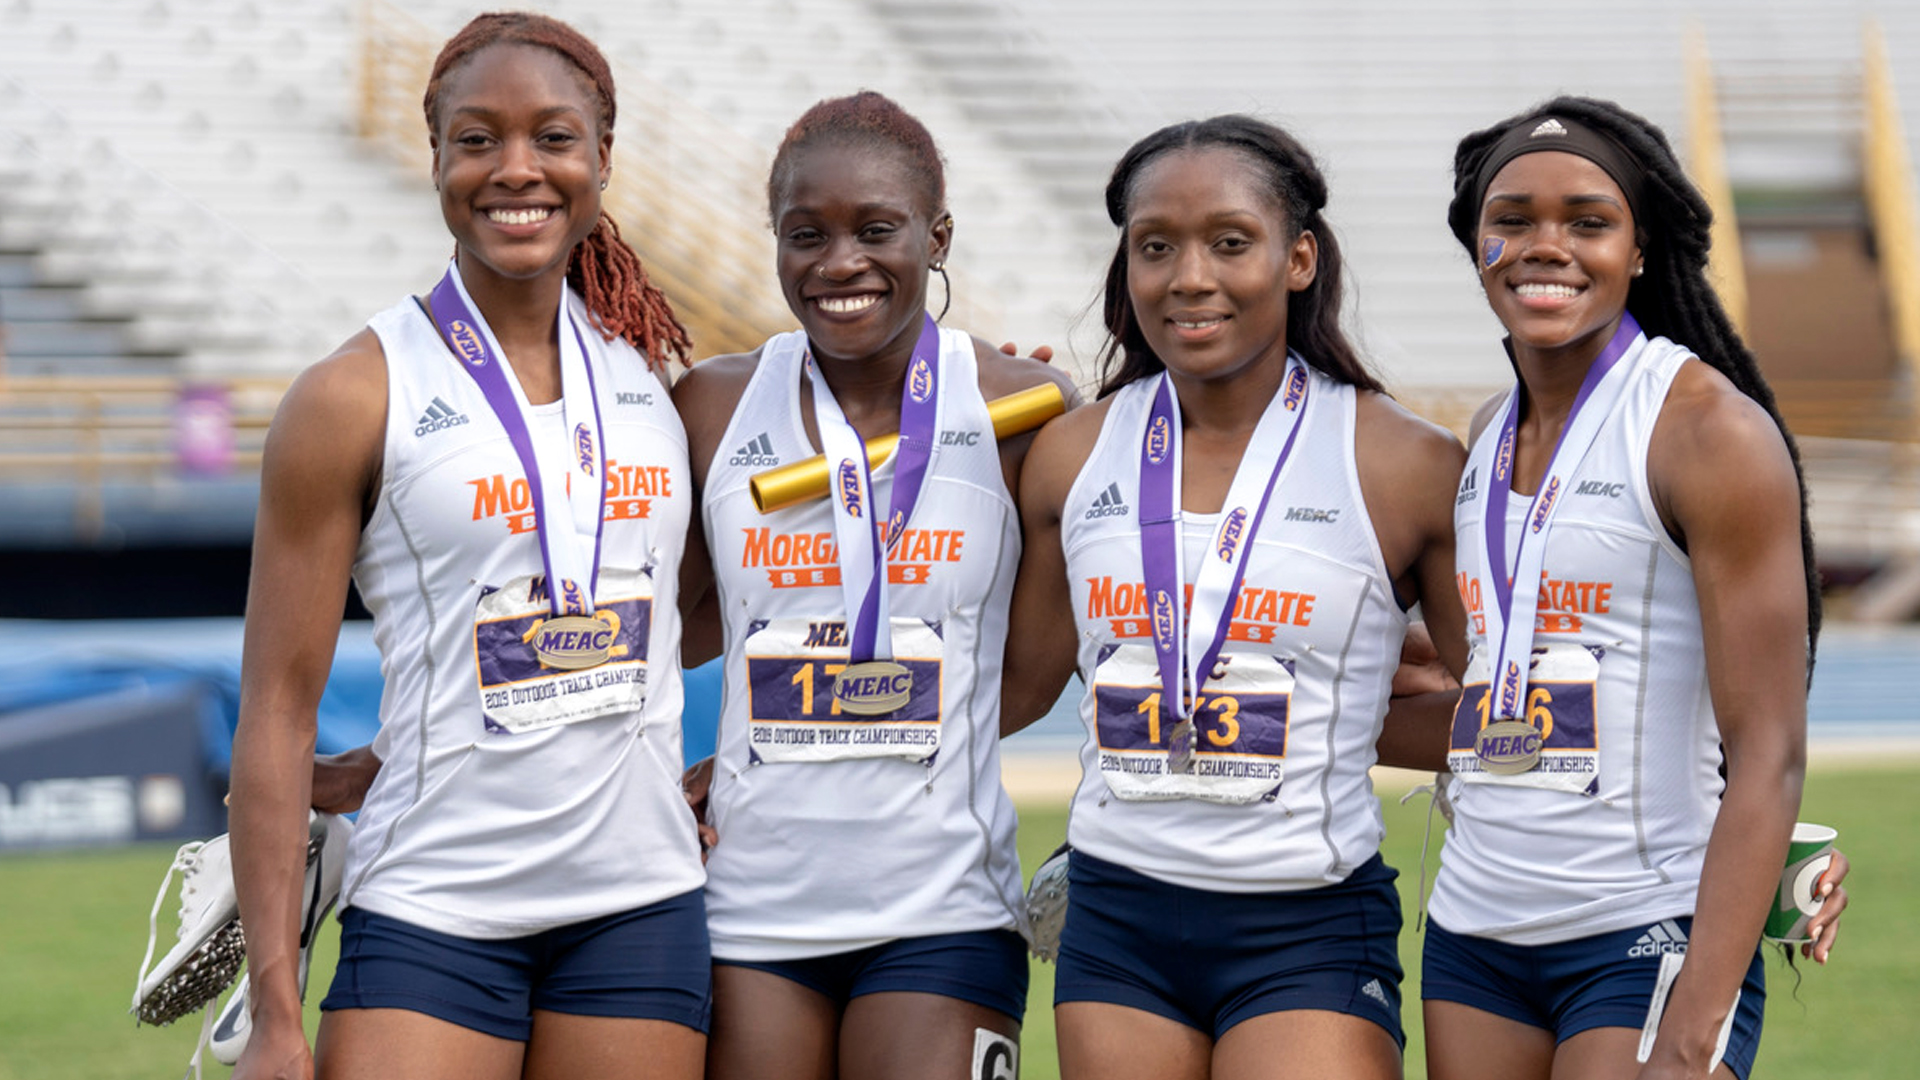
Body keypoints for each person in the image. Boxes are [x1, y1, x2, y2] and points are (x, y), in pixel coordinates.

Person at [227, 13, 708, 1080]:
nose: (518, 170)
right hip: (434, 905)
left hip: (641, 909)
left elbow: (692, 612)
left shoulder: (653, 380)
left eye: (555, 137)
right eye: (479, 139)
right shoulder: (352, 393)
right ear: (436, 156)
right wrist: (276, 1016)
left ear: (603, 159)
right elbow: (275, 705)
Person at [998, 114, 1469, 1080]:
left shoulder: (1405, 463)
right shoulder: (1070, 454)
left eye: (1229, 242)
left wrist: (1343, 727)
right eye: (1155, 246)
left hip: (1306, 926)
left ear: (1297, 259)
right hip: (1116, 922)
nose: (1190, 277)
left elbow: (1508, 711)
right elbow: (1012, 687)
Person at [1418, 95, 1831, 1080]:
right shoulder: (1481, 438)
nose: (1544, 246)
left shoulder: (1705, 432)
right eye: (1511, 220)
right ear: (1476, 243)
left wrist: (1693, 1039)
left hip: (1642, 932)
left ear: (1640, 249)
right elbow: (1488, 707)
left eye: (1588, 222)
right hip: (1472, 936)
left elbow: (1767, 746)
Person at [671, 90, 1078, 1080]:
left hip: (945, 905)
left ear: (936, 237)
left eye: (876, 230)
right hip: (748, 905)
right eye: (804, 234)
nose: (839, 263)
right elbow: (666, 635)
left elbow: (1025, 679)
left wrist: (869, 718)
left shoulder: (1022, 408)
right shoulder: (716, 403)